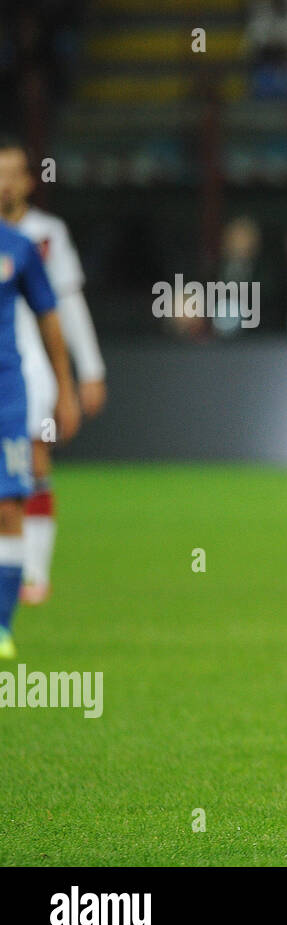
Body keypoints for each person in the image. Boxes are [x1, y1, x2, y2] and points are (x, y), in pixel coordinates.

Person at [0, 138, 103, 605]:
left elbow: (66, 303)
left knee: (34, 461)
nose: (5, 182)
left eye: (13, 172)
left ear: (28, 180)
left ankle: (32, 573)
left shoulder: (45, 235)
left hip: (30, 363)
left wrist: (90, 371)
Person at [0, 217, 79, 658]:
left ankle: (2, 625)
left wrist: (66, 387)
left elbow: (52, 315)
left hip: (7, 392)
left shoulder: (20, 246)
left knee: (10, 503)